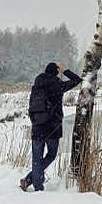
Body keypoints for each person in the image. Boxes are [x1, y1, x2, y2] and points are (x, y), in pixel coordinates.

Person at [20, 62, 83, 192]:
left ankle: (31, 181)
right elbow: (77, 80)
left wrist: (34, 121)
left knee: (36, 158)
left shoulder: (36, 87)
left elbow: (31, 106)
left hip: (37, 127)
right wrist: (64, 71)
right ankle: (36, 187)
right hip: (52, 128)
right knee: (51, 155)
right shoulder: (57, 85)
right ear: (56, 72)